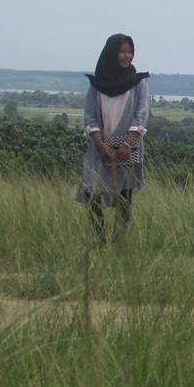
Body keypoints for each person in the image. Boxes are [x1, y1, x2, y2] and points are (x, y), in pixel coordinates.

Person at [76, 33, 150, 243]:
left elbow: (141, 114)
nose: (127, 56)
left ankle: (119, 244)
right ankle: (100, 241)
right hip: (99, 148)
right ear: (111, 53)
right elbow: (89, 114)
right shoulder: (97, 84)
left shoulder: (138, 82)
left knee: (124, 196)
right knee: (92, 194)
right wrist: (100, 144)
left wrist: (128, 143)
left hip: (128, 146)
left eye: (130, 51)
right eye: (122, 51)